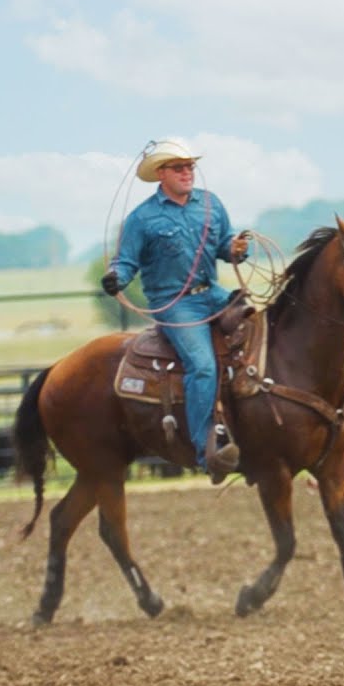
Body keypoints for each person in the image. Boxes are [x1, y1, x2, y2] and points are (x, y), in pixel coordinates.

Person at [101, 140, 249, 483]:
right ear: (160, 174)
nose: (187, 173)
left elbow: (226, 243)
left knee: (263, 334)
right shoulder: (142, 218)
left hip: (214, 294)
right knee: (202, 364)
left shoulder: (211, 205)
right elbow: (125, 263)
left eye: (190, 167)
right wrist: (115, 279)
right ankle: (204, 449)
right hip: (175, 305)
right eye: (179, 168)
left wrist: (236, 249)